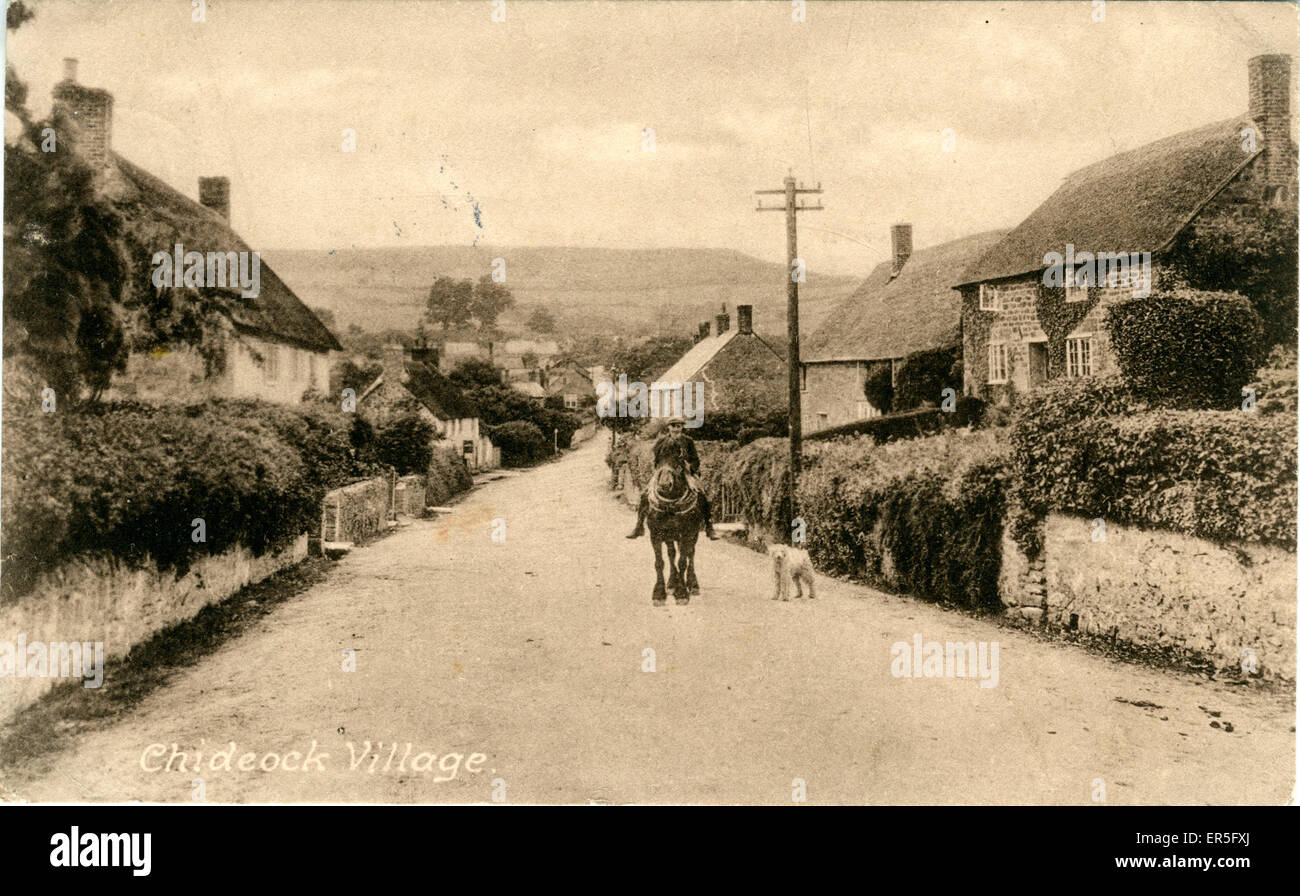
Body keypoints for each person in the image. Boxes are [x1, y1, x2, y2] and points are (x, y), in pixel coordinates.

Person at [627, 418, 718, 540]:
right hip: (664, 471)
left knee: (702, 493)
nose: (676, 428)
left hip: (683, 472)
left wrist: (689, 467)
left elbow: (695, 459)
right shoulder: (662, 441)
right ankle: (638, 526)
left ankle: (709, 526)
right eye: (673, 426)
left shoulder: (688, 441)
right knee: (645, 493)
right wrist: (659, 469)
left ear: (682, 427)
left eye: (679, 426)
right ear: (668, 427)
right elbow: (656, 458)